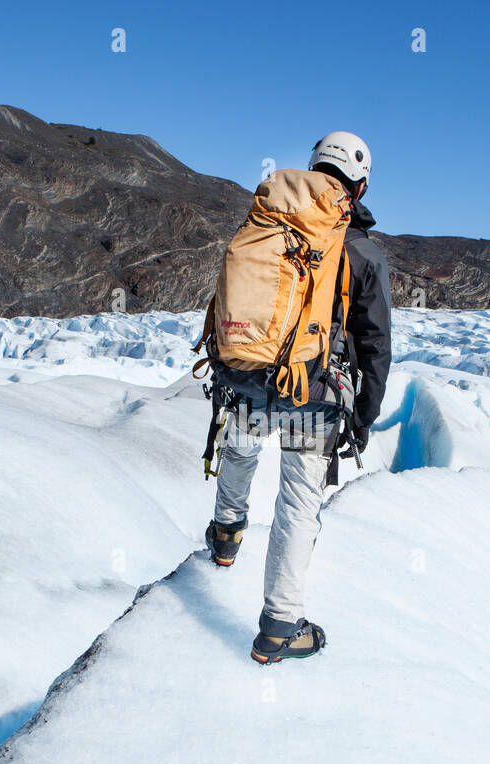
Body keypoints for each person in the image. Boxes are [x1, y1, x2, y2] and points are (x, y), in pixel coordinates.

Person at [204, 131, 392, 664]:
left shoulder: (266, 219)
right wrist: (363, 417)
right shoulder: (362, 252)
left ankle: (225, 534)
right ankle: (280, 626)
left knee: (239, 448)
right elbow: (375, 345)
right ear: (358, 187)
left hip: (244, 376)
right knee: (297, 502)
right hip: (310, 393)